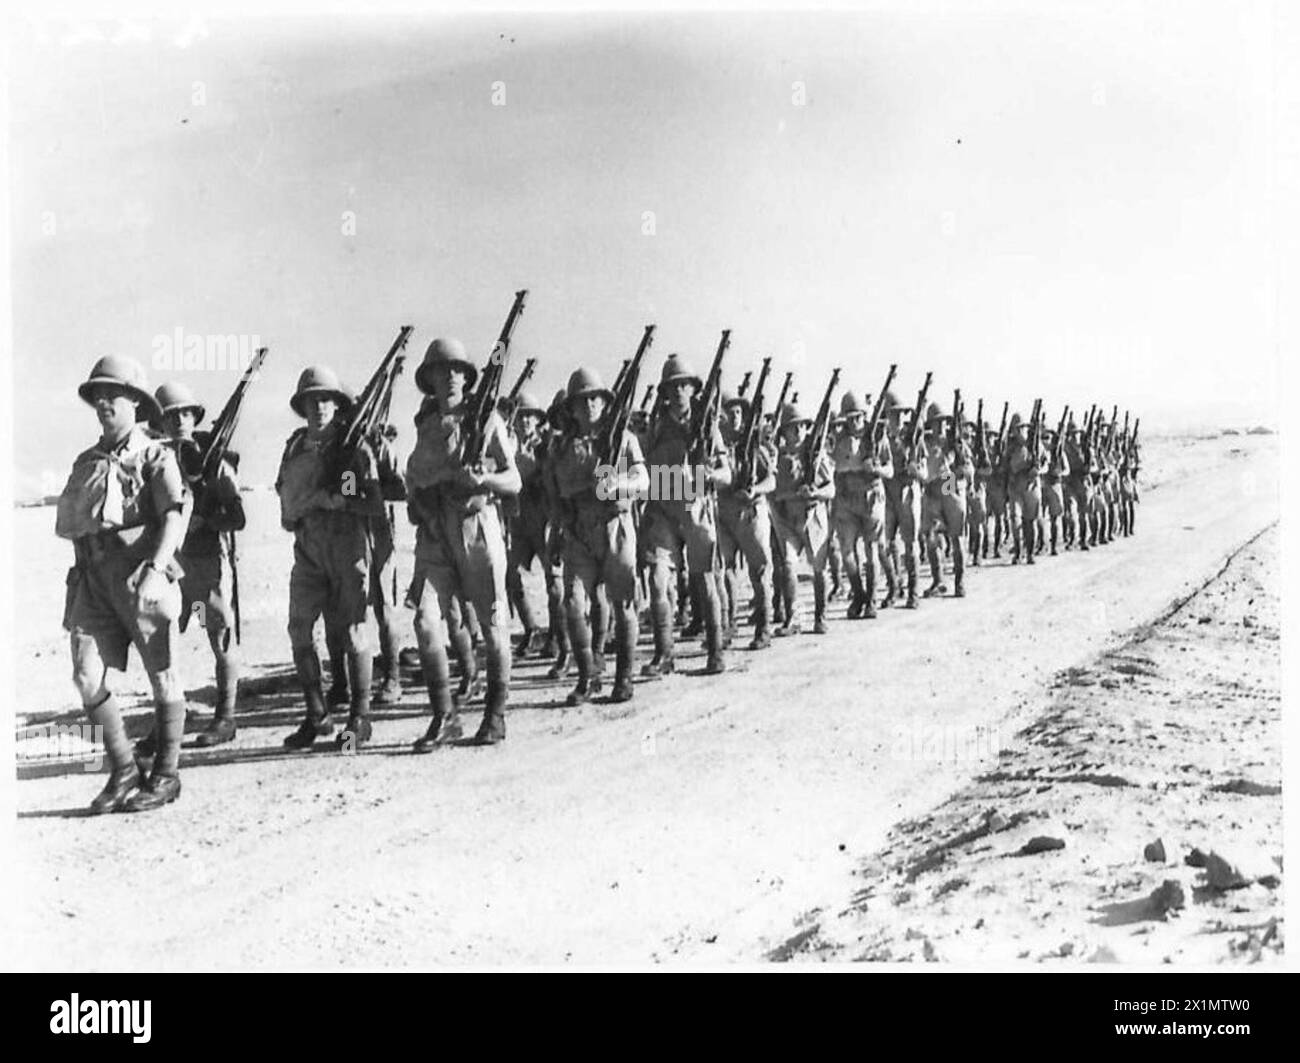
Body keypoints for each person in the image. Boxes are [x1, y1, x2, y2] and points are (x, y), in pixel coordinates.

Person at [55, 356, 189, 812]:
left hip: (140, 573)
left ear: (135, 401)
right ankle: (125, 768)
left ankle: (167, 774)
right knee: (85, 675)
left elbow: (174, 515)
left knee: (163, 675)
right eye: (97, 395)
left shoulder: (156, 454)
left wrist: (156, 568)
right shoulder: (86, 462)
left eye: (112, 394)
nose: (103, 402)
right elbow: (80, 524)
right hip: (93, 580)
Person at [406, 338, 521, 751]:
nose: (450, 376)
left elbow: (514, 479)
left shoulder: (486, 420)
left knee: (492, 624)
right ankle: (445, 716)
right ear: (430, 379)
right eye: (442, 370)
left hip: (476, 529)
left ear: (467, 378)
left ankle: (495, 714)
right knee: (424, 621)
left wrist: (483, 481)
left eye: (458, 370)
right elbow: (412, 478)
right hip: (435, 534)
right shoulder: (425, 426)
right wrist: (418, 504)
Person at [276, 366, 384, 751]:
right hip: (307, 550)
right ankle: (317, 714)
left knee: (352, 630)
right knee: (299, 629)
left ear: (337, 405)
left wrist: (335, 498)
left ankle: (359, 717)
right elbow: (284, 498)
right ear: (302, 406)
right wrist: (301, 508)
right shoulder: (295, 448)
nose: (319, 406)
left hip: (345, 547)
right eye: (312, 400)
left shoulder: (351, 449)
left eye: (326, 399)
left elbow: (364, 500)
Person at [153, 381, 246, 747]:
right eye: (171, 415)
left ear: (194, 417)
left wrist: (206, 521)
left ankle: (225, 718)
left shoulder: (211, 460)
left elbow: (237, 516)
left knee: (217, 636)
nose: (179, 420)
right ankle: (167, 725)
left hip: (203, 568)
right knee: (163, 643)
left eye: (185, 413)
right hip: (168, 567)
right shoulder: (152, 459)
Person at [551, 368, 649, 704]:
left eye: (595, 398)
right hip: (578, 530)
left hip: (615, 525)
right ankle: (588, 676)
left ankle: (624, 677)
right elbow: (559, 490)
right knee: (574, 604)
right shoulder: (563, 446)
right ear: (572, 408)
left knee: (623, 604)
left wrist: (617, 484)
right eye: (582, 400)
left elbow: (643, 480)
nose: (590, 404)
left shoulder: (624, 438)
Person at [639, 355, 732, 676]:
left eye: (684, 385)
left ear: (693, 389)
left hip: (695, 507)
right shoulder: (653, 427)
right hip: (662, 508)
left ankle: (716, 650)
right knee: (657, 579)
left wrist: (706, 476)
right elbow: (640, 470)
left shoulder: (707, 426)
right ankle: (664, 653)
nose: (679, 391)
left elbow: (727, 474)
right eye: (673, 386)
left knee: (705, 580)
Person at [769, 402, 836, 634]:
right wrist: (790, 496)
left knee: (819, 567)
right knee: (788, 565)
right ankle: (793, 618)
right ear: (784, 431)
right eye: (792, 427)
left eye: (801, 426)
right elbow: (772, 491)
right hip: (787, 516)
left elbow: (831, 489)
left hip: (813, 515)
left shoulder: (815, 454)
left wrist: (815, 493)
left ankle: (820, 617)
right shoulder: (777, 457)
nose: (798, 431)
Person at [717, 390, 776, 648]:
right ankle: (729, 626)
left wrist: (755, 490)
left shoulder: (754, 446)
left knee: (760, 570)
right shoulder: (716, 446)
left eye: (739, 411)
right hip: (723, 511)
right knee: (725, 570)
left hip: (750, 511)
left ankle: (764, 628)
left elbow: (771, 480)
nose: (736, 416)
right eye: (730, 411)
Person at [831, 391, 895, 618]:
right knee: (846, 551)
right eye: (850, 418)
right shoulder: (839, 440)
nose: (854, 422)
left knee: (874, 550)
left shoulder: (878, 437)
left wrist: (876, 469)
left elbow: (891, 469)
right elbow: (833, 467)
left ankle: (874, 598)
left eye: (858, 417)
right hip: (846, 498)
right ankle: (858, 594)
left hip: (873, 496)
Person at [916, 402, 970, 598]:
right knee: (930, 536)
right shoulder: (925, 442)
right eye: (936, 422)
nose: (940, 426)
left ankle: (959, 582)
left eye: (943, 422)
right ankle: (938, 580)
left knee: (956, 537)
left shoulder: (955, 443)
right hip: (930, 488)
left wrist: (957, 468)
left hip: (949, 483)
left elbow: (968, 469)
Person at [882, 394, 922, 608]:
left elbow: (941, 470)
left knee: (912, 543)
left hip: (910, 492)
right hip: (888, 493)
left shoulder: (915, 437)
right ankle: (894, 586)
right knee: (884, 544)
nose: (896, 418)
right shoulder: (880, 438)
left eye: (900, 414)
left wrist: (948, 491)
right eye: (892, 414)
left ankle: (914, 592)